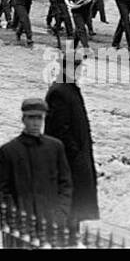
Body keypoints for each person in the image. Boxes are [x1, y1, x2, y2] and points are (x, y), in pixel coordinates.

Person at [0, 97, 73, 237]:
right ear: (23, 120)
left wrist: (61, 212)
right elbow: (1, 190)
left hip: (50, 220)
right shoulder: (9, 151)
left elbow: (65, 183)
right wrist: (13, 217)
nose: (35, 123)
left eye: (39, 118)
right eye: (31, 118)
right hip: (21, 223)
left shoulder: (54, 147)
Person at [45, 52, 99, 231]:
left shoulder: (68, 88)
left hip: (75, 159)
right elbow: (60, 130)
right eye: (78, 67)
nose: (80, 71)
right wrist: (75, 153)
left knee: (75, 210)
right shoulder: (60, 91)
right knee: (69, 208)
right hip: (69, 162)